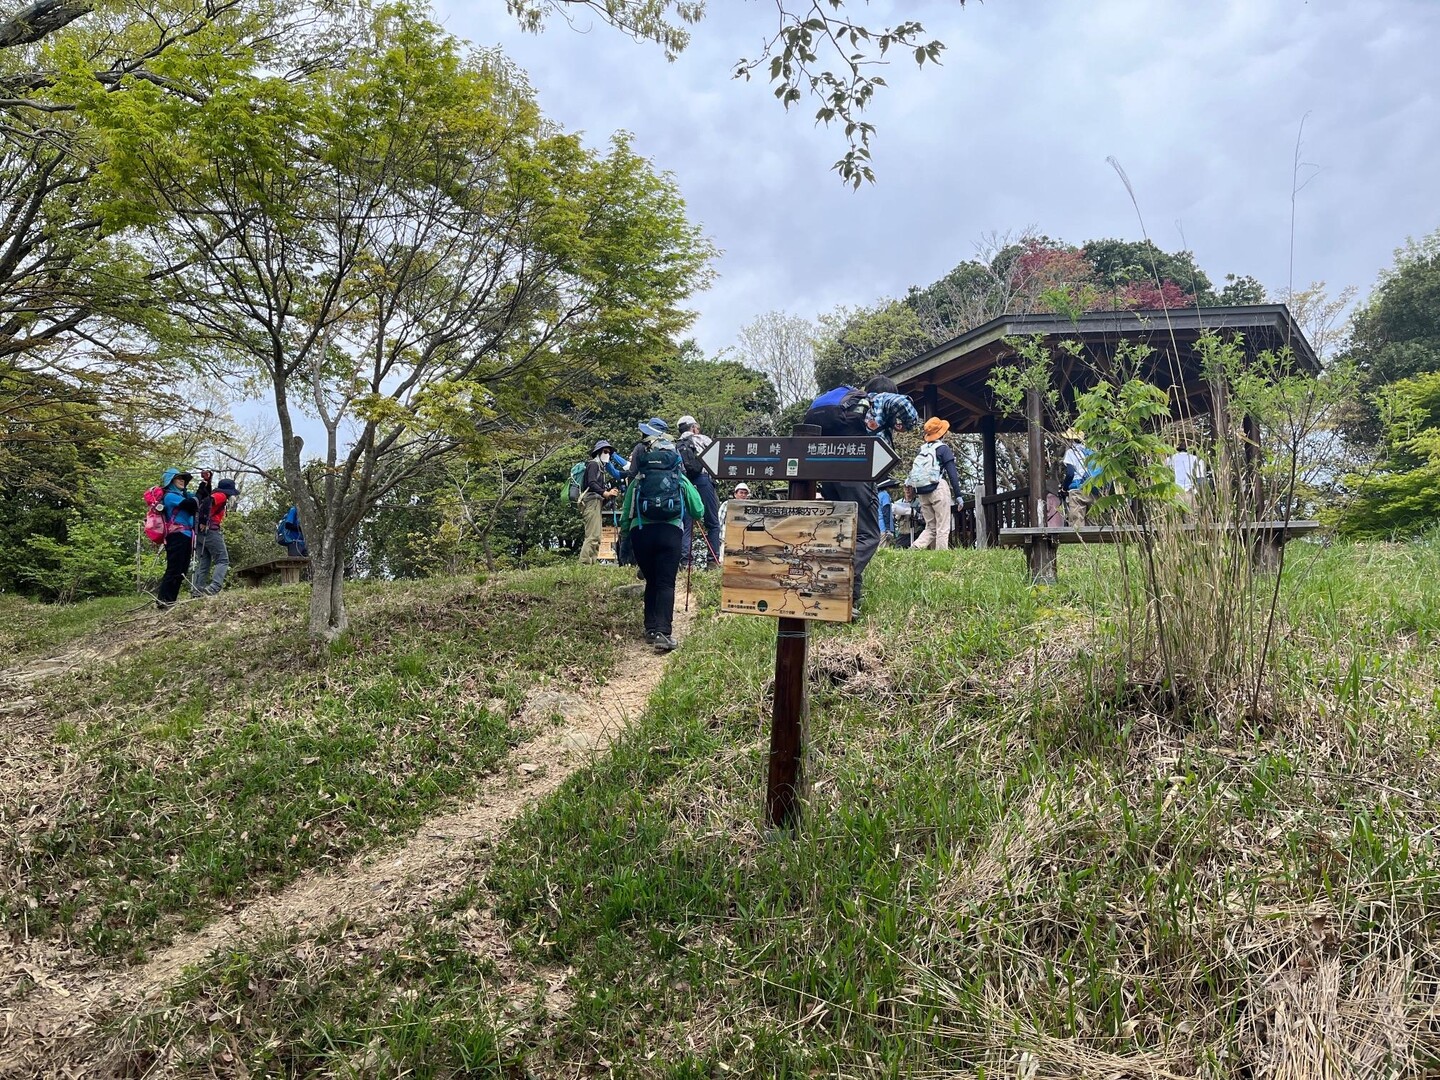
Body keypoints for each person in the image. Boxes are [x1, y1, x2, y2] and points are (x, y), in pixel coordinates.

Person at [802, 375, 919, 617]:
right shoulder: (878, 398)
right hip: (855, 473)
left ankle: (849, 600)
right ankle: (832, 581)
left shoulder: (848, 410)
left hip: (828, 475)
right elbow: (904, 404)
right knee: (868, 535)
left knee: (844, 535)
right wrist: (907, 423)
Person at [623, 418, 703, 651]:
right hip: (670, 532)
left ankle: (649, 629)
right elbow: (698, 509)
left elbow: (628, 511)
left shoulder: (639, 480)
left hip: (642, 532)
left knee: (651, 581)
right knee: (666, 583)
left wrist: (626, 539)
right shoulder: (679, 479)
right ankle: (663, 633)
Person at [908, 418, 964, 550]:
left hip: (923, 491)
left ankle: (916, 547)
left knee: (931, 527)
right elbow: (952, 473)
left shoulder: (921, 450)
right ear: (942, 434)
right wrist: (958, 495)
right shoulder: (943, 449)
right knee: (943, 526)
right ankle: (941, 556)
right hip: (938, 488)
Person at [676, 415, 722, 569]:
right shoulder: (703, 439)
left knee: (687, 524)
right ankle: (713, 561)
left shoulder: (676, 445)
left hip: (685, 484)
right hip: (704, 481)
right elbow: (718, 458)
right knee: (712, 523)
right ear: (693, 427)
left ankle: (686, 563)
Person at [156, 468, 198, 609]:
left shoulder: (182, 495)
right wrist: (197, 496)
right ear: (170, 481)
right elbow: (192, 505)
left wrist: (206, 484)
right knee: (174, 569)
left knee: (181, 570)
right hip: (176, 536)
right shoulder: (170, 496)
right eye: (178, 478)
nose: (182, 481)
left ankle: (170, 601)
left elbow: (197, 501)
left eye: (183, 479)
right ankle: (163, 601)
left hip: (186, 536)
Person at [190, 473, 238, 596]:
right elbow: (207, 502)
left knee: (204, 561)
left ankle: (197, 590)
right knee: (223, 560)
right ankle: (214, 587)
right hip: (209, 530)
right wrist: (203, 521)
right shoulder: (221, 495)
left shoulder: (214, 494)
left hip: (198, 532)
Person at [578, 439, 620, 564]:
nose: (607, 454)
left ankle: (592, 563)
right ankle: (584, 564)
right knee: (592, 536)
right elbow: (591, 483)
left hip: (597, 503)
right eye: (605, 451)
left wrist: (609, 493)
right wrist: (605, 493)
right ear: (598, 452)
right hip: (591, 502)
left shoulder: (601, 468)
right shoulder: (593, 464)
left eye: (608, 452)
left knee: (597, 536)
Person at [1062, 429, 1098, 525]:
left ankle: (1078, 540)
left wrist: (1064, 488)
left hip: (1077, 490)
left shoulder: (1071, 452)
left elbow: (1070, 473)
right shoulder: (1091, 452)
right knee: (1093, 522)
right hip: (1093, 489)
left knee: (1076, 522)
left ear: (1071, 440)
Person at [1170, 444, 1206, 510]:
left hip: (1174, 495)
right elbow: (1200, 480)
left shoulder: (1170, 459)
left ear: (1178, 450)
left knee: (1175, 518)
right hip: (1190, 494)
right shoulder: (1197, 460)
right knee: (1190, 518)